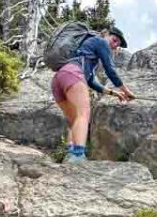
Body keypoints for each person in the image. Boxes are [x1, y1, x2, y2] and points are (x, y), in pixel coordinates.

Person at [51, 25, 135, 162]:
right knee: (83, 115)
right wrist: (125, 90)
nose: (114, 45)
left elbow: (91, 81)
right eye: (114, 40)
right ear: (106, 34)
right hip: (73, 75)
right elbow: (110, 69)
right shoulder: (100, 41)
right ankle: (78, 156)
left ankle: (70, 154)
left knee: (75, 119)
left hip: (59, 79)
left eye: (117, 44)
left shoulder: (87, 52)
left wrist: (115, 93)